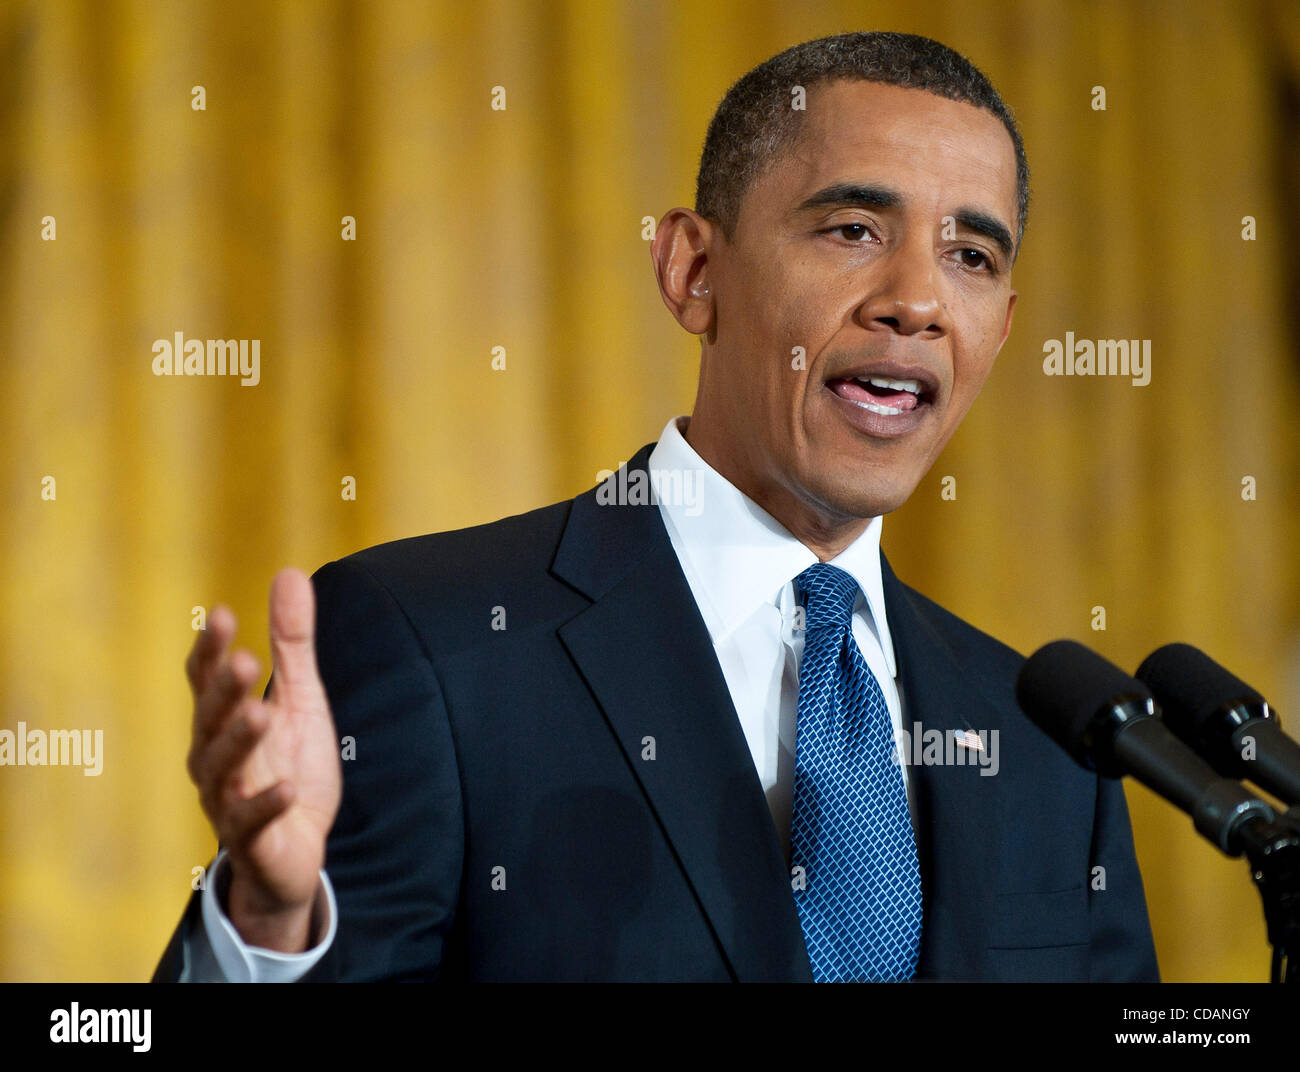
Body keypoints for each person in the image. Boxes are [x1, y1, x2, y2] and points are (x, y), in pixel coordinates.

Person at [153, 30, 1159, 982]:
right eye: (853, 229)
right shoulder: (433, 645)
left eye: (971, 257)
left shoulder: (1053, 745)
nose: (918, 300)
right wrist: (271, 931)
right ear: (693, 271)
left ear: (1002, 327)